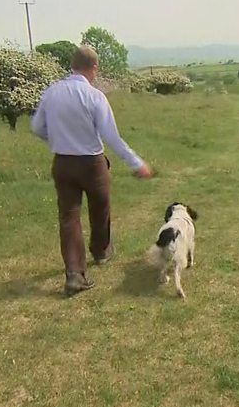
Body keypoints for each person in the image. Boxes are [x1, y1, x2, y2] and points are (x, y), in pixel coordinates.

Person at [32, 46, 153, 296]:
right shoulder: (95, 96)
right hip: (92, 163)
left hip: (63, 163)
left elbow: (37, 127)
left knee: (69, 216)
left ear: (72, 65)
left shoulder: (52, 92)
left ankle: (75, 273)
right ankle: (101, 251)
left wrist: (57, 140)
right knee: (100, 207)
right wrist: (136, 163)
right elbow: (112, 137)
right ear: (94, 67)